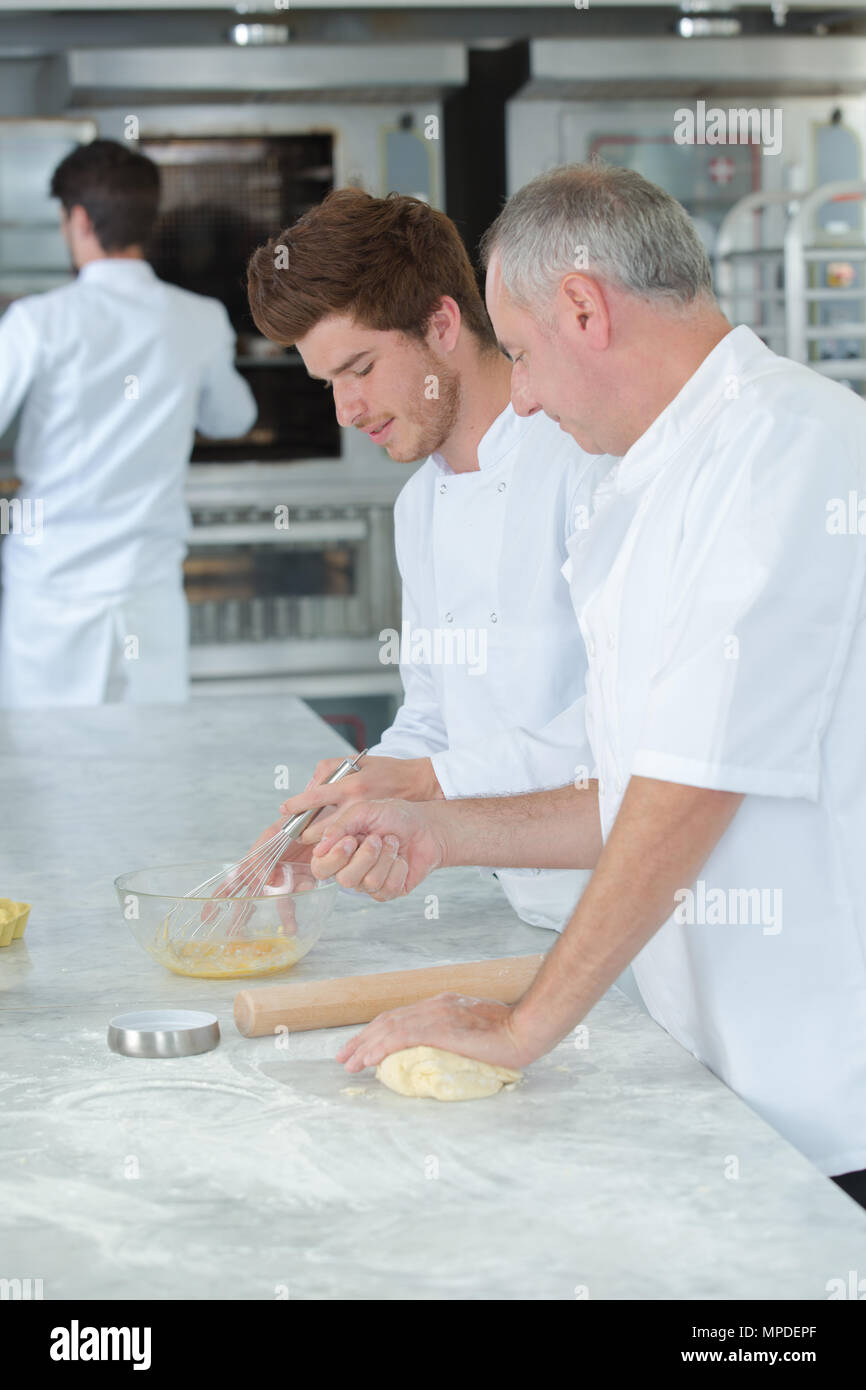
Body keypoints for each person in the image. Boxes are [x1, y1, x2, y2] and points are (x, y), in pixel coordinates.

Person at [291, 164, 866, 1206]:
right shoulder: (654, 479)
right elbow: (619, 787)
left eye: (516, 352)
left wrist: (520, 1025)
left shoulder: (789, 447)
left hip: (823, 1089)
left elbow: (685, 792)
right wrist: (437, 832)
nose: (518, 392)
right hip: (708, 1061)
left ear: (583, 309)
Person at [246, 189, 615, 932]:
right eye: (329, 386)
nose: (347, 412)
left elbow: (626, 724)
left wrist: (422, 782)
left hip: (637, 907)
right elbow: (434, 715)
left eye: (360, 368)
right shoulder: (419, 505)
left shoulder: (584, 459)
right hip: (521, 909)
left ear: (442, 325)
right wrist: (347, 806)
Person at [0, 139, 257, 707]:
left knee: (44, 777)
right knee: (148, 771)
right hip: (148, 593)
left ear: (81, 220)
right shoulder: (199, 318)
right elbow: (234, 418)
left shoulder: (37, 322)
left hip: (51, 595)